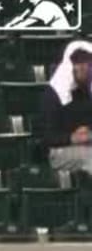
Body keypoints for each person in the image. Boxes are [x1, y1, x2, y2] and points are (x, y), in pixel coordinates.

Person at [42, 41, 92, 175]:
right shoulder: (54, 93)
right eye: (78, 63)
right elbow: (47, 137)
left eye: (87, 62)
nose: (83, 67)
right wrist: (72, 137)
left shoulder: (87, 89)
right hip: (60, 151)